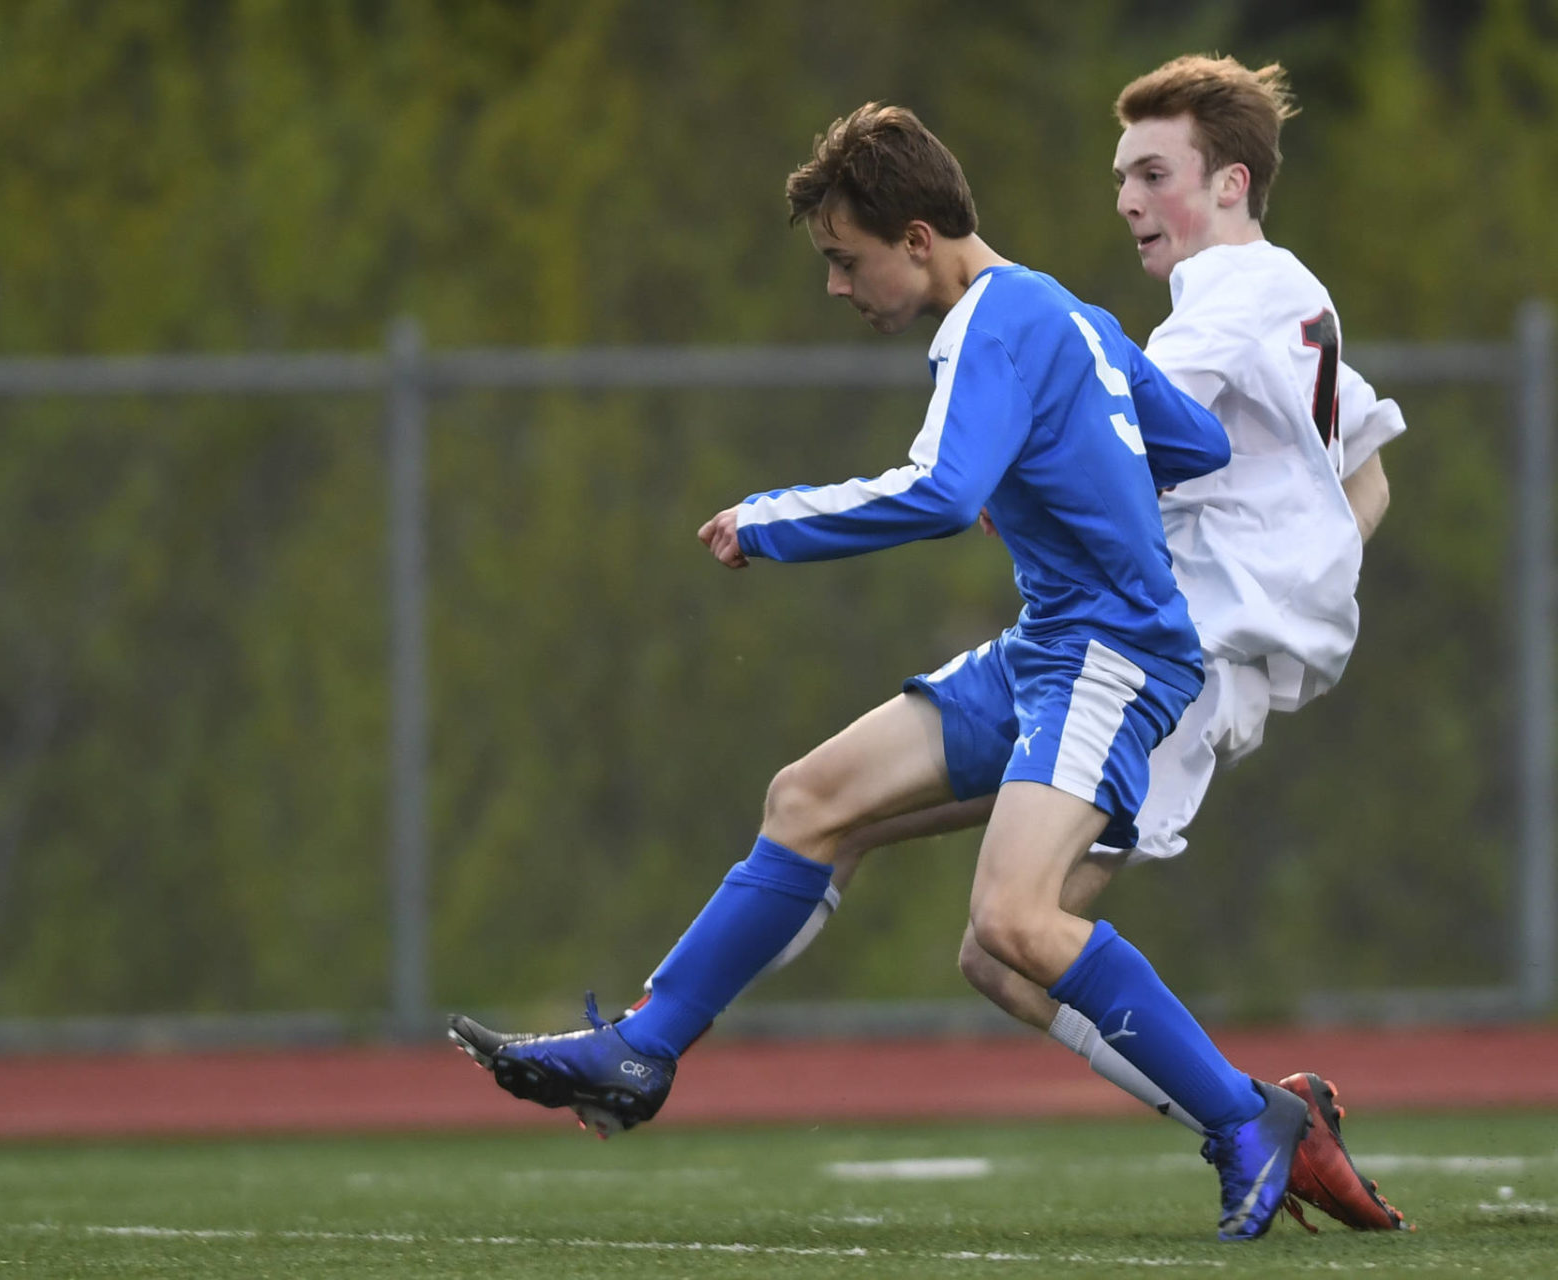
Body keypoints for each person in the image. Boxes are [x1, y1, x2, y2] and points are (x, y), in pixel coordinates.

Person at [452, 100, 1316, 1243]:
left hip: (1109, 654)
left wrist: (773, 520)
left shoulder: (992, 322)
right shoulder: (1065, 310)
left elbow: (942, 492)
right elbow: (1195, 443)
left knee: (1013, 921)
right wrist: (1074, 458)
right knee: (808, 798)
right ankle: (640, 1050)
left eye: (844, 258)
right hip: (1051, 645)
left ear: (917, 237)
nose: (835, 285)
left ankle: (1249, 1117)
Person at [746, 56, 1411, 1233]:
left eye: (1153, 173)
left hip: (1168, 663)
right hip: (1174, 653)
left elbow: (1106, 419)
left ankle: (1259, 1120)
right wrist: (1300, 585)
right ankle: (1260, 1117)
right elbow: (1366, 477)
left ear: (1231, 183)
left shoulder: (1226, 298)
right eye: (1122, 176)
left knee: (1008, 933)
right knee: (979, 933)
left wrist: (1246, 601)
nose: (1127, 199)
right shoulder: (1289, 301)